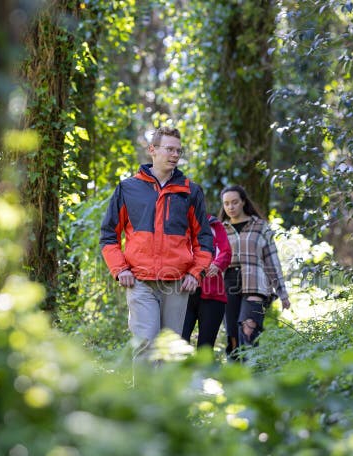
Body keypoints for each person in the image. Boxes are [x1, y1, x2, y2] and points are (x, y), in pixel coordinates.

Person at [100, 126, 214, 351]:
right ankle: (143, 388)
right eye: (169, 149)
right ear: (152, 149)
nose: (174, 155)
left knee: (169, 350)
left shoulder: (191, 191)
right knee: (145, 344)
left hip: (177, 283)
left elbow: (204, 239)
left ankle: (166, 388)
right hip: (140, 281)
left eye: (178, 151)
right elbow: (109, 235)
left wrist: (196, 272)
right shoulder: (128, 188)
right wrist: (120, 269)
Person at [219, 185, 291, 358]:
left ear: (243, 202)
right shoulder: (220, 229)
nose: (231, 207)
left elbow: (272, 260)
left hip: (255, 282)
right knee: (233, 337)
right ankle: (234, 377)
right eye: (226, 203)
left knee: (249, 329)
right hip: (227, 283)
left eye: (235, 202)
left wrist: (282, 293)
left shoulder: (260, 227)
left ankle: (252, 371)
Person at [182, 214, 232, 349]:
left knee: (205, 349)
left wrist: (217, 264)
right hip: (184, 292)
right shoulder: (177, 224)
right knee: (179, 344)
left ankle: (204, 371)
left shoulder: (214, 225)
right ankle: (179, 371)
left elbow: (226, 252)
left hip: (213, 294)